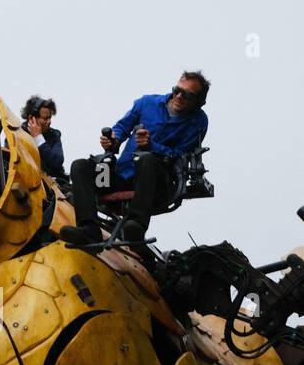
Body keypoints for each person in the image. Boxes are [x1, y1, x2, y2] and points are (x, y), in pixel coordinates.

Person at [61, 71, 210, 246]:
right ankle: (89, 229)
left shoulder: (198, 121)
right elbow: (122, 127)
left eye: (187, 95)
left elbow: (181, 155)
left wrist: (152, 146)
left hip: (157, 183)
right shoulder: (147, 103)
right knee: (80, 166)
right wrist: (113, 140)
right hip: (122, 176)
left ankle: (136, 224)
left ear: (199, 102)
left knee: (146, 159)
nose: (178, 96)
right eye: (177, 90)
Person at [21, 95, 65, 178]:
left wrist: (38, 138)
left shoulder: (54, 135)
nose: (49, 122)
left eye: (50, 118)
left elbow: (57, 161)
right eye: (45, 118)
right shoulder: (18, 135)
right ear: (31, 118)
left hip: (52, 184)